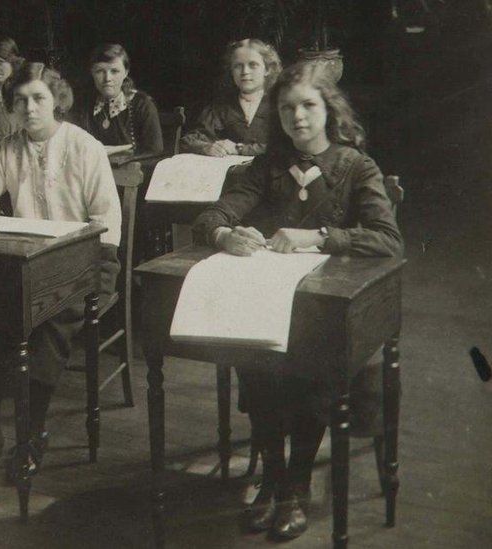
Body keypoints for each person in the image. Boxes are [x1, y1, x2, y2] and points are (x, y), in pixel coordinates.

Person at [192, 61, 402, 540]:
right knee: (253, 360)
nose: (298, 117)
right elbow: (214, 215)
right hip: (270, 301)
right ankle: (273, 478)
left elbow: (388, 239)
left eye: (308, 105)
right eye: (287, 108)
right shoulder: (267, 166)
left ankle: (297, 485)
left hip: (327, 309)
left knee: (310, 367)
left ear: (329, 108)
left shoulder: (355, 166)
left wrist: (318, 237)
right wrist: (225, 234)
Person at [0, 62, 122, 482]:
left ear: (57, 100)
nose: (29, 108)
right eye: (20, 100)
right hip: (29, 265)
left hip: (86, 261)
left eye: (38, 98)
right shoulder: (9, 148)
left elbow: (106, 224)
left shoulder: (84, 147)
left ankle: (32, 434)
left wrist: (75, 264)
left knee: (44, 328)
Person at [181, 38, 282, 157]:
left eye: (253, 65)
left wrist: (241, 149)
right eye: (238, 66)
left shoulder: (280, 104)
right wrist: (207, 147)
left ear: (267, 70)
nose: (245, 71)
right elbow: (189, 140)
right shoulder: (221, 107)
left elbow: (288, 145)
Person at [75, 43, 163, 154]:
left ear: (126, 72)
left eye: (114, 71)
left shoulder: (142, 104)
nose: (107, 78)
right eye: (100, 71)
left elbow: (154, 150)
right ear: (92, 73)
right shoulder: (85, 104)